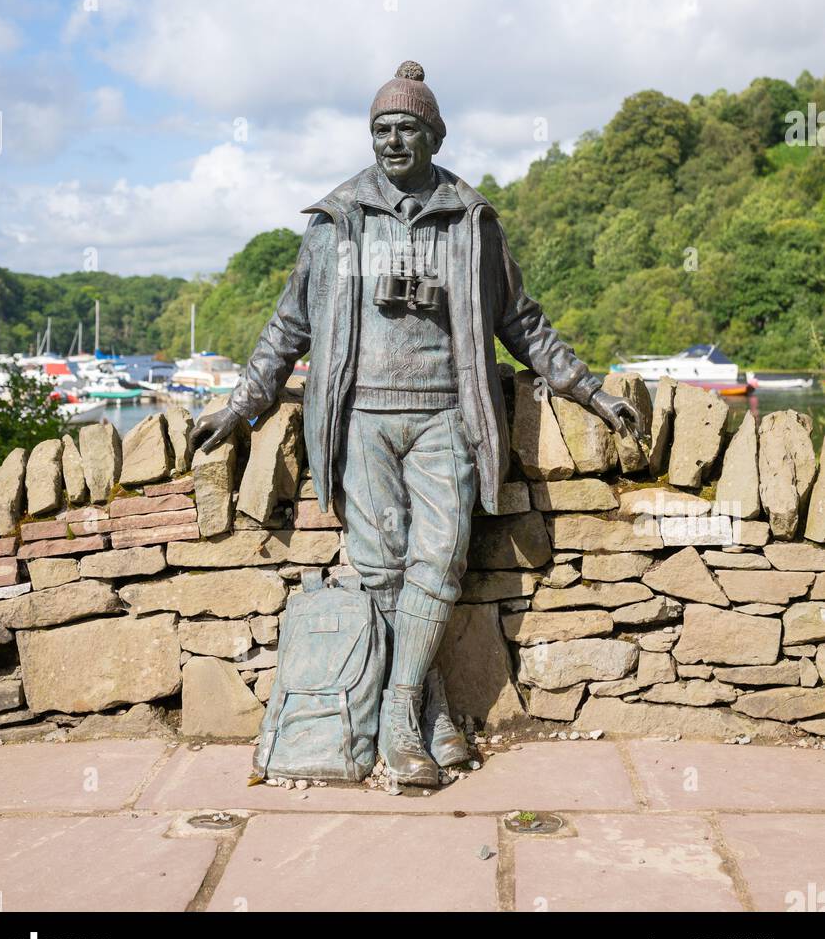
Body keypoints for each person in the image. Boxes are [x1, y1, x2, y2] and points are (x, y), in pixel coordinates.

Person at [193, 61, 644, 784]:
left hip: (444, 415)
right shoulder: (338, 223)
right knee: (381, 568)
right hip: (363, 418)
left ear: (434, 133)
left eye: (406, 127)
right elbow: (289, 325)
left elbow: (521, 323)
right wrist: (245, 403)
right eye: (380, 129)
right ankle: (422, 715)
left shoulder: (472, 222)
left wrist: (588, 390)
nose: (391, 140)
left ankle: (403, 710)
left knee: (440, 560)